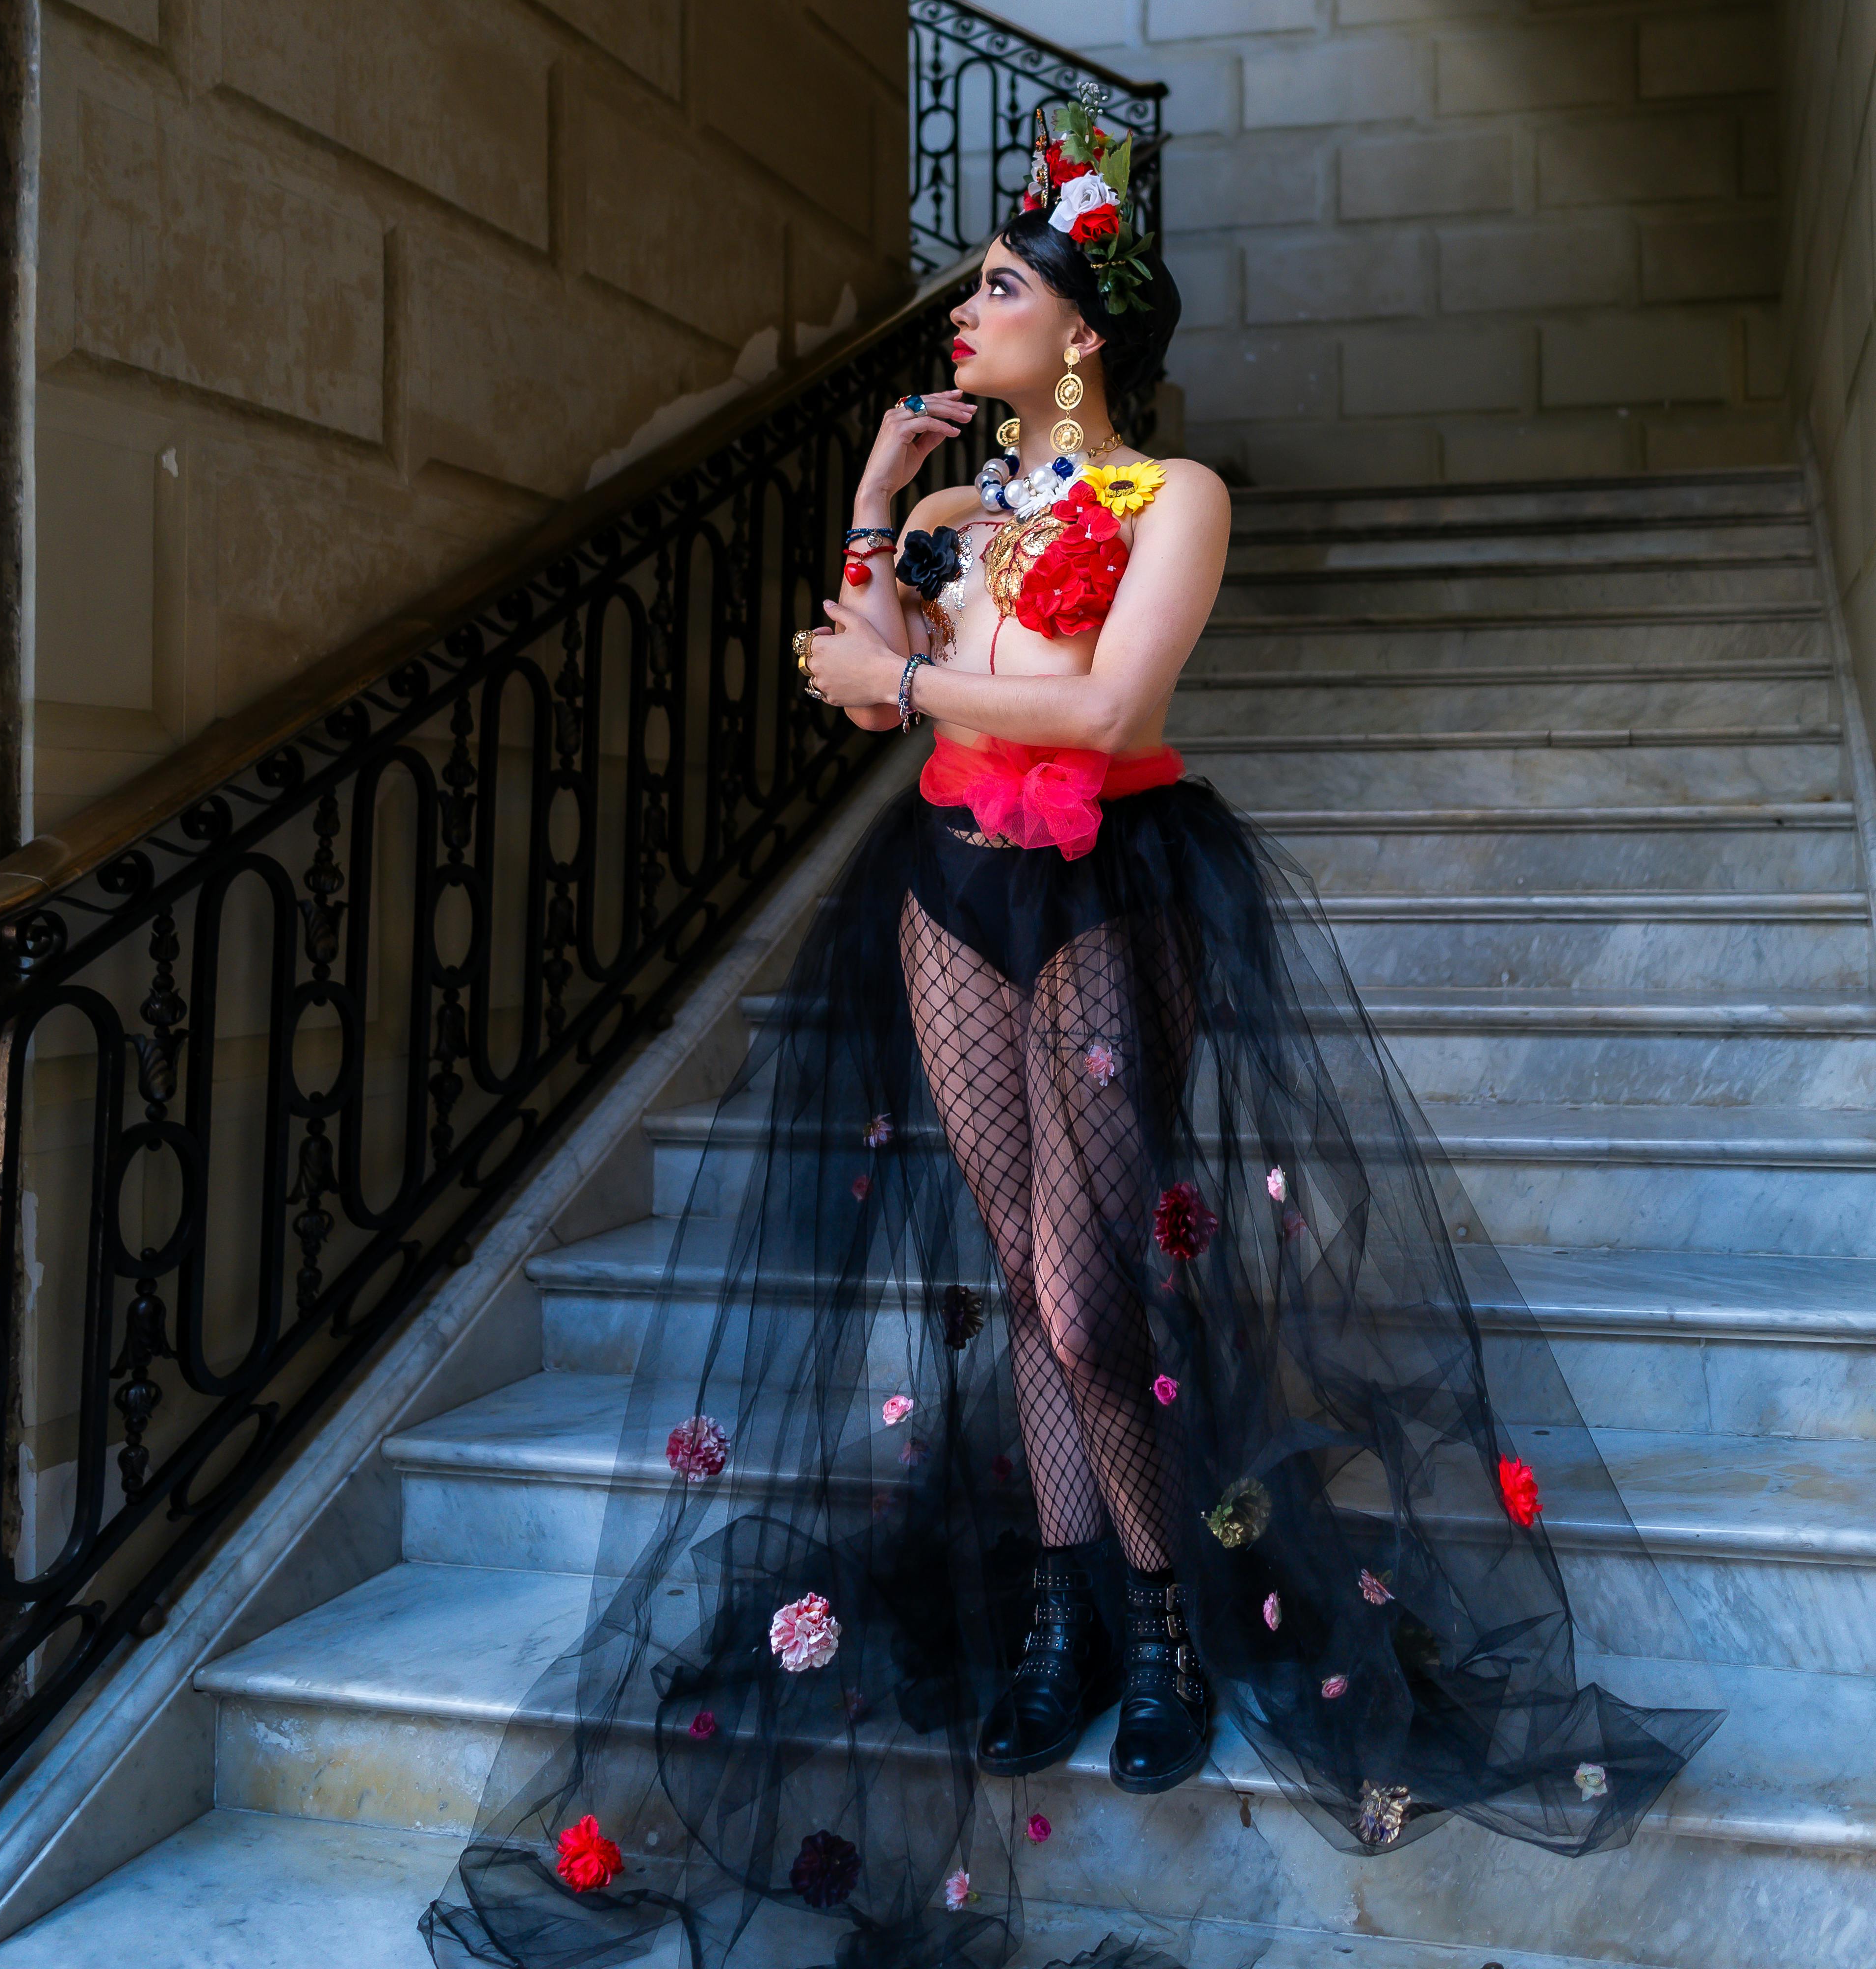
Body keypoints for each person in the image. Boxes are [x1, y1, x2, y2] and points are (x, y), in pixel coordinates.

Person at [424, 102, 1719, 1969]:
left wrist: (906, 666)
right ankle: (1066, 1606)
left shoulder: (1166, 500)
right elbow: (863, 684)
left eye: (1002, 290)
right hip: (950, 881)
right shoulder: (970, 504)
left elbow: (1106, 705)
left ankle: (1165, 1608)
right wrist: (883, 500)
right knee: (1024, 1273)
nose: (971, 316)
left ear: (1084, 329)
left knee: (1095, 1288)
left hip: (1111, 884)